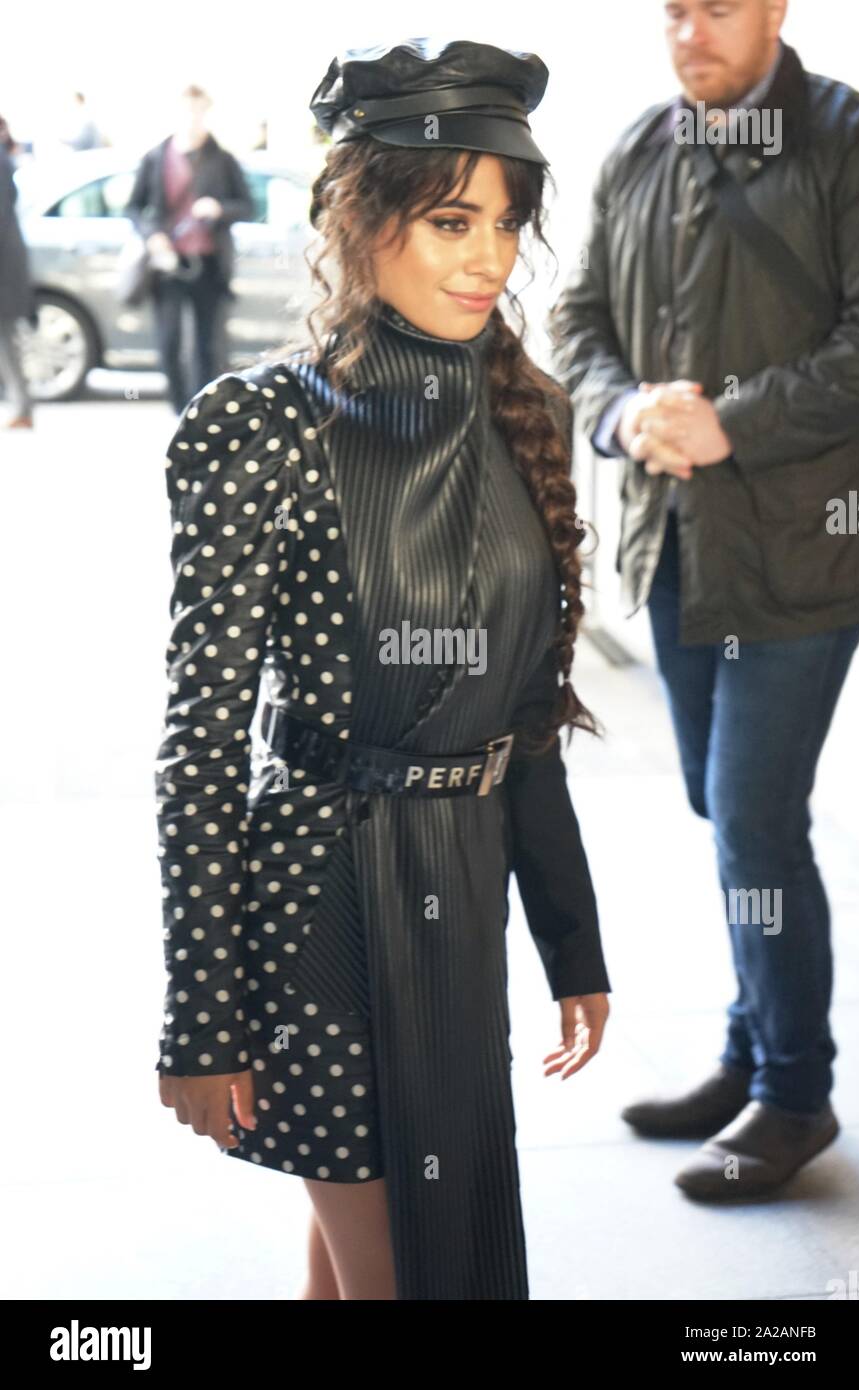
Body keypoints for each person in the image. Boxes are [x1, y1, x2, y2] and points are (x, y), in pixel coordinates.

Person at [153, 38, 612, 1301]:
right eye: (452, 218)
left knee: (385, 1266)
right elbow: (196, 738)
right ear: (358, 220)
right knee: (415, 1280)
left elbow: (522, 717)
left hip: (457, 900)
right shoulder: (259, 426)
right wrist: (202, 1014)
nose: (490, 258)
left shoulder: (527, 410)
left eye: (509, 222)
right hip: (320, 909)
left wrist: (570, 942)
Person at [550, 0, 859, 1201]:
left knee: (751, 816)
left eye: (716, 7)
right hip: (672, 545)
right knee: (715, 802)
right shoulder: (637, 145)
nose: (689, 30)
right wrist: (625, 411)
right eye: (671, 9)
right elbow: (577, 323)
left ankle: (792, 1092)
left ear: (776, 8)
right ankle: (746, 1047)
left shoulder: (842, 138)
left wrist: (730, 421)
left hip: (801, 553)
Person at [125, 85, 253, 415]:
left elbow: (247, 205)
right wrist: (153, 235)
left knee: (207, 345)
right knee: (169, 342)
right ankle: (179, 408)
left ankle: (203, 410)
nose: (194, 118)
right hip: (166, 263)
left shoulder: (221, 159)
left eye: (199, 111)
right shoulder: (156, 158)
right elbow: (134, 208)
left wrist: (218, 209)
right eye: (188, 110)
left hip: (208, 262)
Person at [0, 114, 37, 429]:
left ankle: (23, 406)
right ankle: (21, 406)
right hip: (8, 265)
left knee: (7, 340)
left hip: (5, 268)